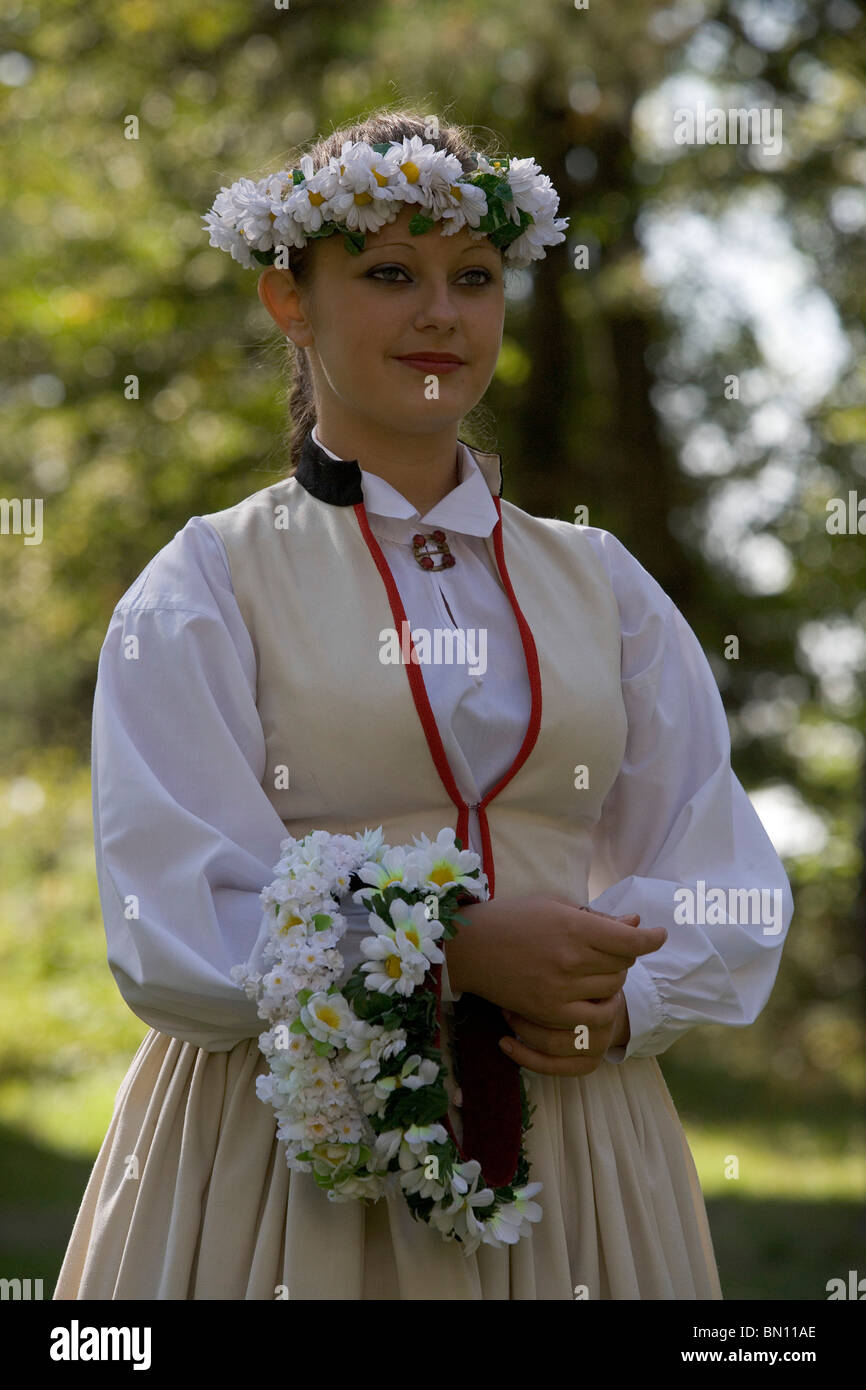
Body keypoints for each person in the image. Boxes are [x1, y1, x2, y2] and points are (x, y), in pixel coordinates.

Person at [53, 110, 793, 1301]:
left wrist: (619, 1001)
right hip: (283, 1156)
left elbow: (719, 871)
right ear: (287, 301)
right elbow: (171, 919)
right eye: (389, 274)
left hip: (579, 1140)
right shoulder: (201, 584)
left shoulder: (601, 584)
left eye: (474, 278)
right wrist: (450, 945)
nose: (441, 315)